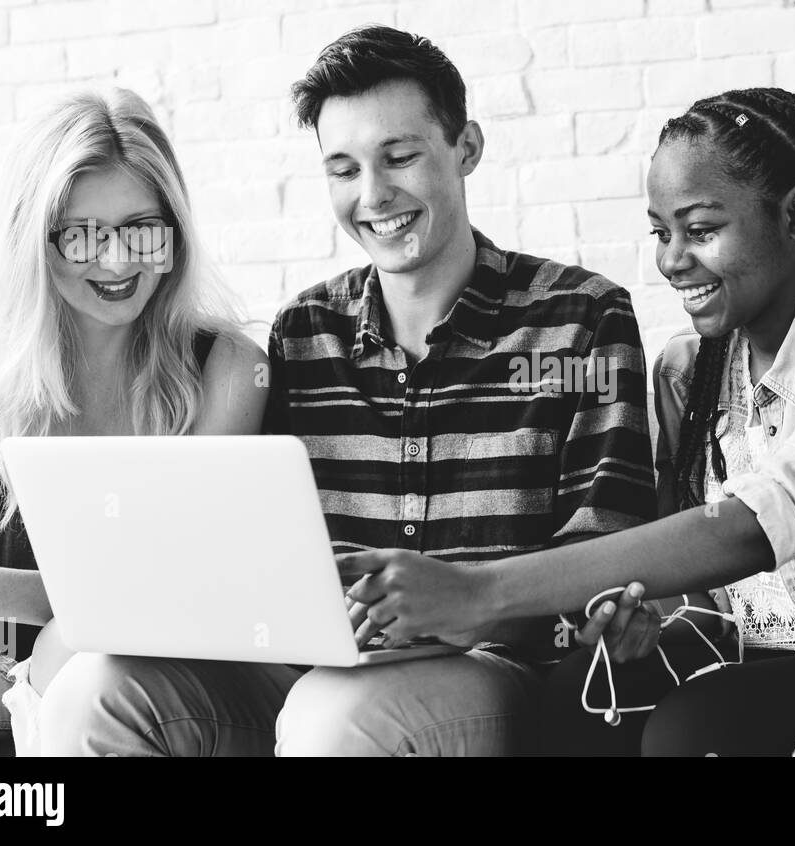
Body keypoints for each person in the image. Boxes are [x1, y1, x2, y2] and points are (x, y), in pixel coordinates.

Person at [37, 25, 656, 757]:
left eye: (400, 157)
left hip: (495, 668)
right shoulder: (304, 332)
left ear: (467, 148)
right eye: (344, 169)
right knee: (91, 693)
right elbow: (260, 548)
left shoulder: (582, 316)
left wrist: (471, 606)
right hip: (313, 672)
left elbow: (607, 548)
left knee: (335, 716)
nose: (374, 195)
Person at [342, 88, 795, 756]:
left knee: (698, 727)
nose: (672, 259)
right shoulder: (689, 370)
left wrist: (481, 593)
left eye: (702, 230)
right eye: (661, 232)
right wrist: (643, 617)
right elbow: (702, 596)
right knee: (579, 695)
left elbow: (751, 527)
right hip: (756, 655)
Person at [0, 88, 271, 757]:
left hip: (145, 689)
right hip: (0, 681)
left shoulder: (228, 371)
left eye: (141, 227)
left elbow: (159, 602)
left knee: (76, 647)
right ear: (33, 241)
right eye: (81, 235)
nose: (116, 260)